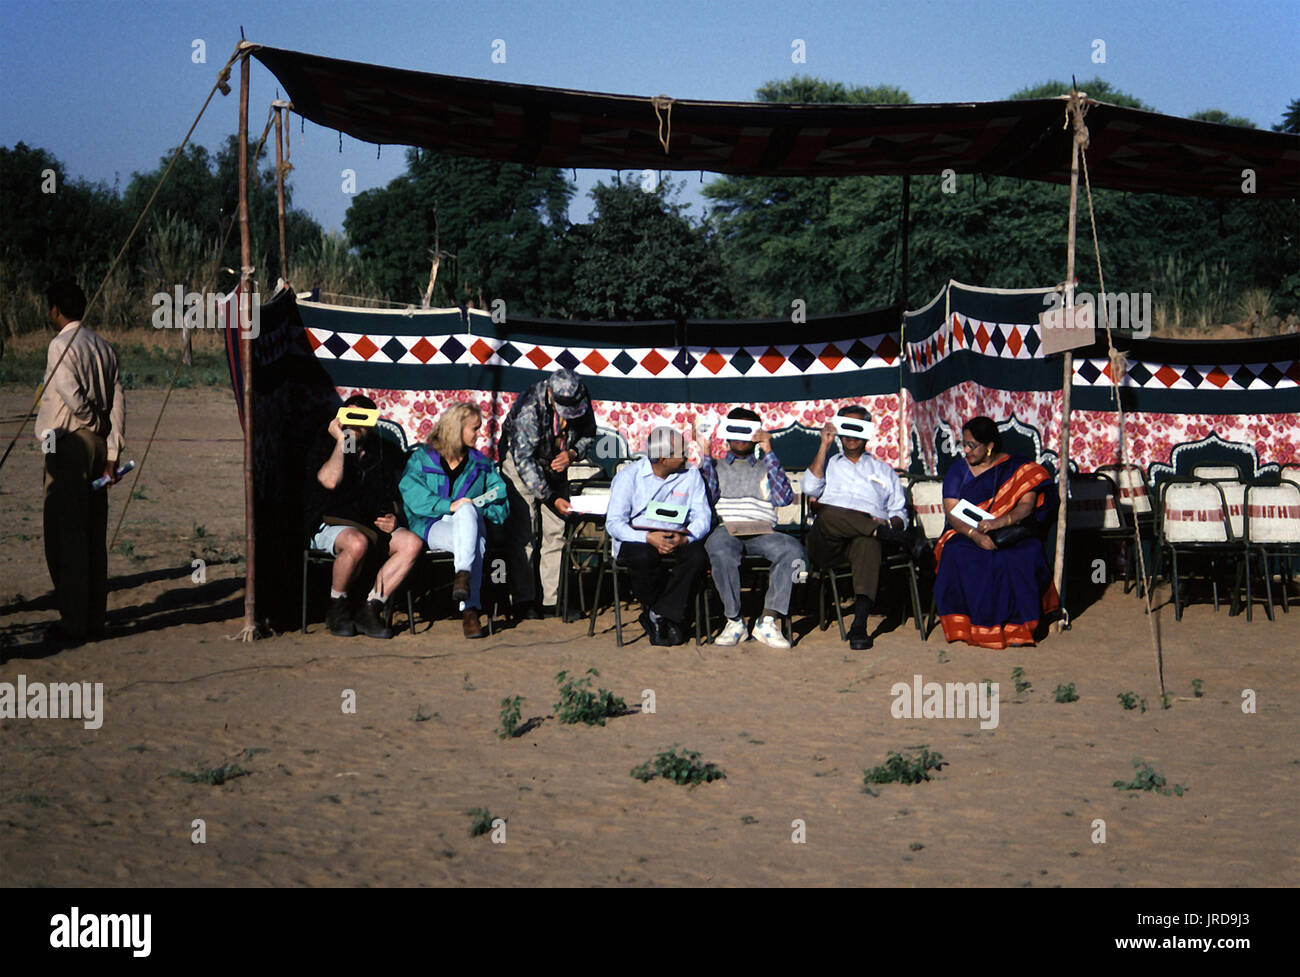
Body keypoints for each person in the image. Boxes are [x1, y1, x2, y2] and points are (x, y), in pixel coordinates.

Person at [37, 280, 125, 645]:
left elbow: (71, 394)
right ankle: (93, 617)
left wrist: (92, 422)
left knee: (67, 536)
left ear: (56, 310)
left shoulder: (61, 344)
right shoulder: (102, 346)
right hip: (97, 447)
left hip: (70, 444)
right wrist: (113, 450)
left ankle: (75, 622)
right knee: (92, 533)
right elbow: (119, 398)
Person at [803, 405, 927, 651]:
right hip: (828, 542)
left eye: (856, 428)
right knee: (827, 513)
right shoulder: (829, 465)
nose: (850, 435)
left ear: (867, 432)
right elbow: (809, 488)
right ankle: (886, 534)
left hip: (866, 539)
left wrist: (890, 524)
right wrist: (824, 445)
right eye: (845, 428)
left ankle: (859, 624)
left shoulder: (883, 471)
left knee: (867, 541)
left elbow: (898, 513)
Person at [932, 416, 1059, 648]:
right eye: (964, 444)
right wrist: (976, 535)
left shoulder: (1017, 468)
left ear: (989, 446)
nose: (966, 450)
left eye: (972, 445)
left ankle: (1019, 628)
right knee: (965, 555)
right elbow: (952, 514)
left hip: (1008, 532)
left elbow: (1026, 505)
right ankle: (974, 627)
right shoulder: (958, 470)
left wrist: (1000, 523)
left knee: (1022, 554)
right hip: (964, 533)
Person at [303, 394, 423, 639]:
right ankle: (337, 606)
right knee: (357, 543)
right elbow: (330, 481)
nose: (355, 424)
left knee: (412, 544)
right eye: (350, 417)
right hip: (333, 523)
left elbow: (398, 494)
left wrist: (395, 517)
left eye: (362, 418)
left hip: (373, 523)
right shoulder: (330, 444)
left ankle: (371, 608)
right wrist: (340, 441)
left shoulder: (383, 451)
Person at [696, 408, 803, 649]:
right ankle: (734, 621)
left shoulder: (767, 466)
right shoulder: (716, 465)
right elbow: (707, 495)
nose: (740, 436)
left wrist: (769, 450)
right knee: (719, 550)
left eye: (747, 431)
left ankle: (767, 620)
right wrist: (705, 451)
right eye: (734, 429)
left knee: (792, 549)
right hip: (728, 528)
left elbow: (784, 497)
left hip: (763, 530)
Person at [400, 402, 509, 639]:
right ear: (456, 428)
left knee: (468, 514)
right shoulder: (422, 458)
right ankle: (470, 610)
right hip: (432, 525)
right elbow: (411, 493)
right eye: (475, 428)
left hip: (470, 522)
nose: (480, 434)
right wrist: (448, 506)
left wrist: (474, 507)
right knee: (475, 543)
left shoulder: (481, 464)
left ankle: (463, 576)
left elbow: (501, 500)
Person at [499, 369, 597, 619]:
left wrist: (572, 454)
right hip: (523, 464)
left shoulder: (579, 396)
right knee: (525, 532)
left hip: (556, 462)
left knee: (556, 531)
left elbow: (588, 433)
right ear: (551, 394)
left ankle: (551, 600)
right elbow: (523, 460)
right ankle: (524, 599)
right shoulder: (529, 408)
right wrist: (551, 497)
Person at [605, 426, 712, 646]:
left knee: (697, 556)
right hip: (639, 536)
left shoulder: (691, 474)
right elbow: (614, 523)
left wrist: (686, 538)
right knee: (643, 557)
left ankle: (659, 613)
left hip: (678, 533)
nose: (686, 456)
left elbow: (703, 516)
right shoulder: (629, 476)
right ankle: (667, 616)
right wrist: (648, 538)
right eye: (681, 452)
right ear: (663, 458)